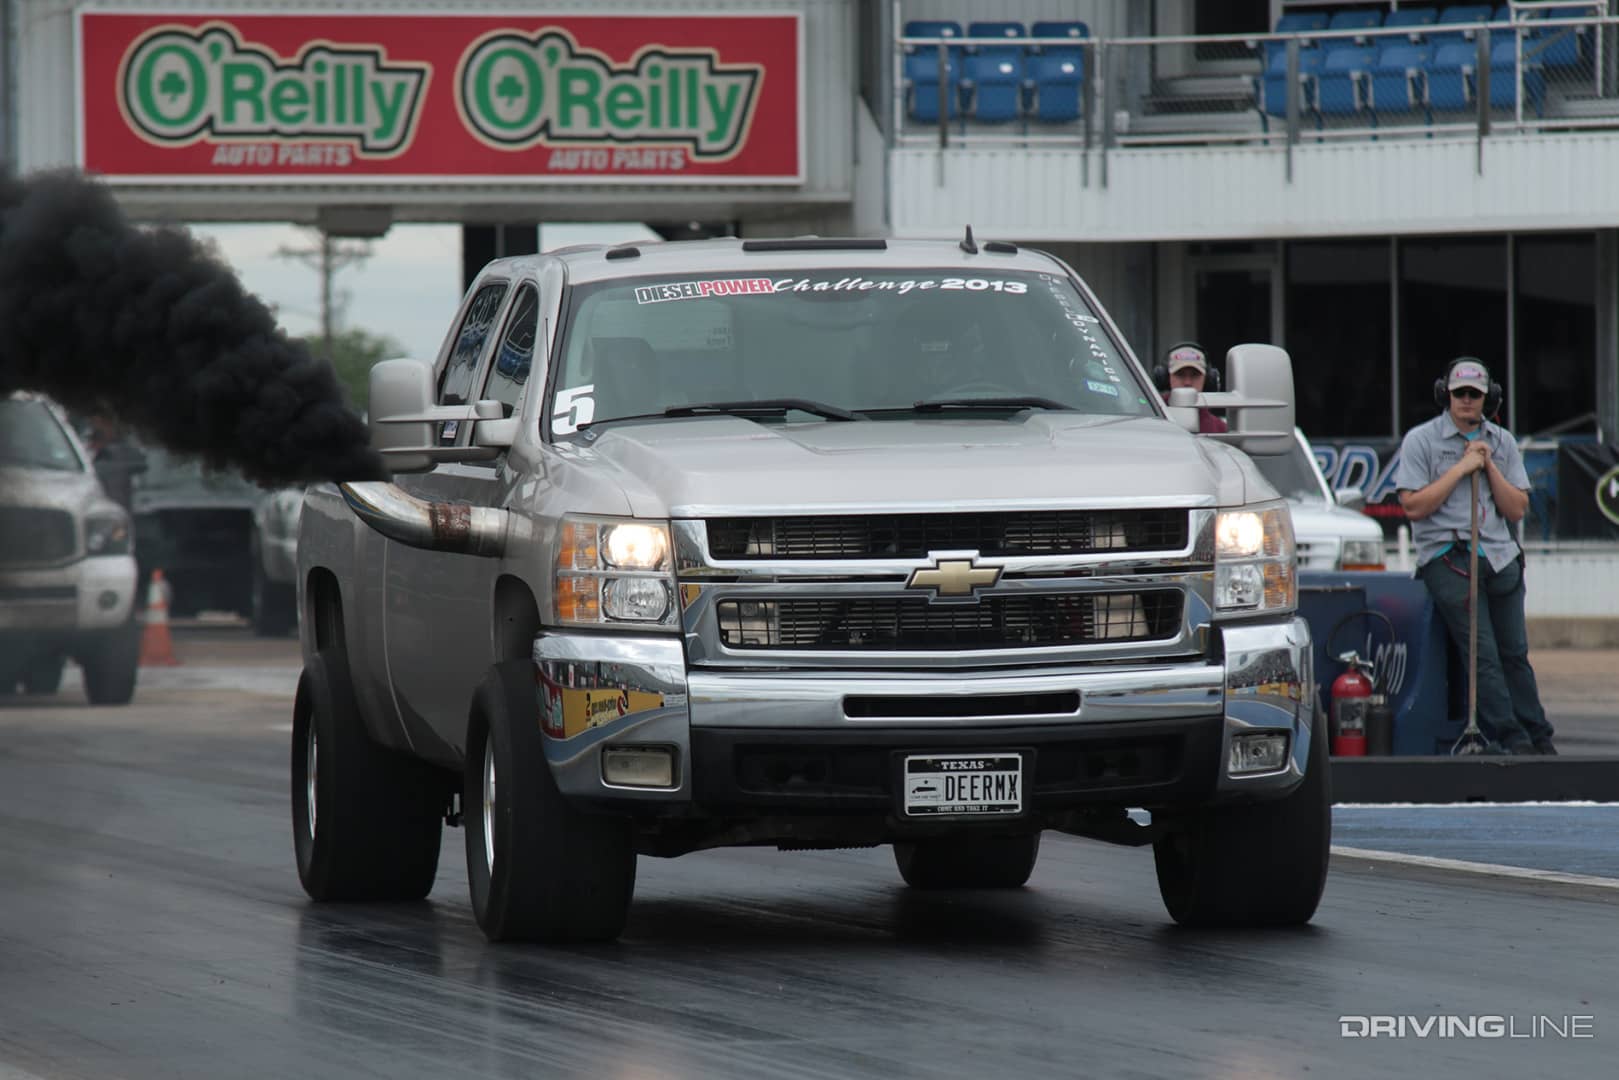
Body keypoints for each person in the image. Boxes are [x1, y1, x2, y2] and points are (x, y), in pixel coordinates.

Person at [1393, 358, 1555, 755]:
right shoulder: (1421, 440)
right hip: (1449, 554)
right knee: (1482, 653)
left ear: (1488, 398)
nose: (1466, 401)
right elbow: (1413, 506)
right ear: (1445, 395)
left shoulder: (1502, 441)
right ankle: (1510, 736)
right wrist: (1461, 468)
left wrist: (1489, 467)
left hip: (1499, 554)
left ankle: (1538, 734)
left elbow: (1516, 509)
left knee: (1514, 652)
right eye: (1459, 393)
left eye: (1475, 395)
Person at [1159, 342, 1227, 433]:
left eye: (1195, 375)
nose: (1188, 382)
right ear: (1167, 378)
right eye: (1180, 374)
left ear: (1207, 379)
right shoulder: (1152, 424)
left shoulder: (1220, 430)